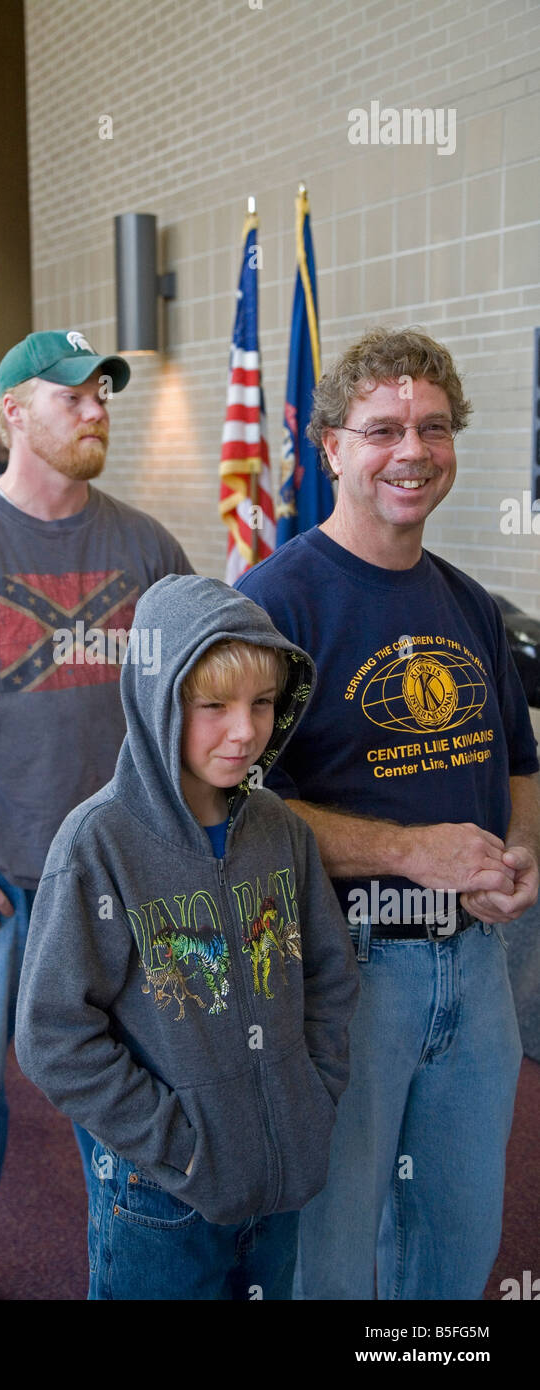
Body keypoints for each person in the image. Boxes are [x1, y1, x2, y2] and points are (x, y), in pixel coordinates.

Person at [0, 328, 195, 1299]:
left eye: (103, 394)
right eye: (73, 396)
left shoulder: (145, 542)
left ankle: (145, 1255)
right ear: (14, 412)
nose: (96, 409)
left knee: (139, 1072)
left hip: (123, 871)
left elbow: (186, 696)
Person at [236, 326, 540, 1300]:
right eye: (380, 430)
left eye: (432, 427)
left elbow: (521, 765)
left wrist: (520, 852)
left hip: (478, 971)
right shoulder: (268, 604)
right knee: (326, 1253)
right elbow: (233, 806)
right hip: (349, 969)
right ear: (328, 446)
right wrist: (410, 853)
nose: (411, 449)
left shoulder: (470, 605)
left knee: (455, 1245)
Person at [14, 575, 359, 1300]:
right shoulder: (98, 843)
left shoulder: (282, 833)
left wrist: (311, 1096)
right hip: (159, 1199)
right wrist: (177, 1144)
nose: (245, 731)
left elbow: (329, 975)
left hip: (280, 1180)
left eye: (263, 704)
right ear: (157, 701)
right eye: (213, 707)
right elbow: (53, 1035)